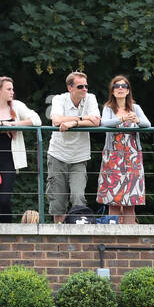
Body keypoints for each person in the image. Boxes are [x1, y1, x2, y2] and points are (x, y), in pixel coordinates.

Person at [0, 76, 41, 224]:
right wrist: (4, 124)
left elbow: (36, 120)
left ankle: (7, 234)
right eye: (8, 89)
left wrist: (15, 124)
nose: (12, 92)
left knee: (4, 200)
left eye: (12, 89)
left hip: (9, 161)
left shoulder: (16, 106)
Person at [46, 71, 101, 223]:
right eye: (80, 86)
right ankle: (59, 238)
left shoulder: (91, 98)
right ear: (70, 88)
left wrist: (73, 123)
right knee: (57, 202)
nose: (85, 89)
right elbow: (56, 120)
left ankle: (78, 235)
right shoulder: (59, 99)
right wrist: (83, 118)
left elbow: (96, 121)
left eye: (86, 86)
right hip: (58, 154)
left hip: (79, 157)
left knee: (78, 197)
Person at [98, 74, 150, 224]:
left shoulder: (136, 108)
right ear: (112, 91)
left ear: (128, 91)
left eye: (123, 86)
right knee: (113, 201)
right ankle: (111, 236)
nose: (120, 89)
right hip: (113, 158)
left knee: (130, 202)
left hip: (132, 158)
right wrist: (121, 119)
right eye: (116, 86)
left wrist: (137, 120)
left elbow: (147, 124)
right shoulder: (108, 108)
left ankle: (130, 238)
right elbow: (104, 123)